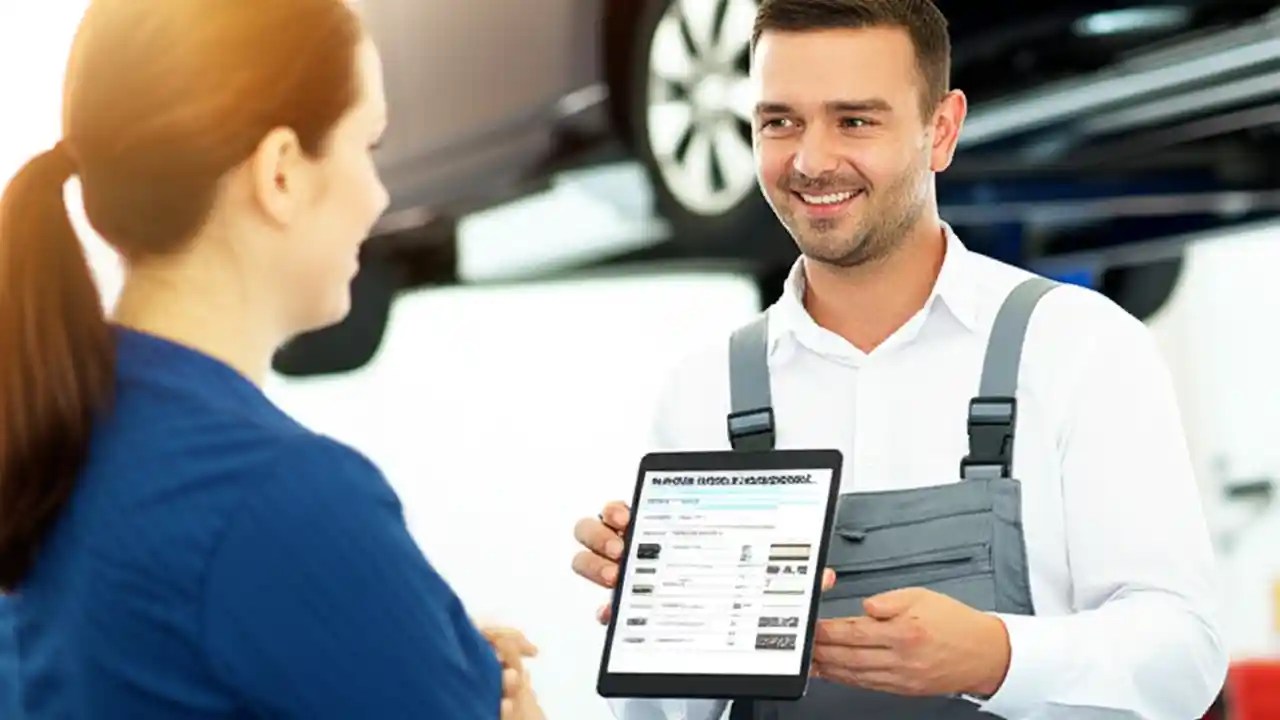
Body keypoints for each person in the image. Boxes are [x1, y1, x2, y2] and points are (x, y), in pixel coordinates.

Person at [571, 1, 1227, 718]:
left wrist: (995, 655)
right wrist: (657, 621)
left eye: (855, 120)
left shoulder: (1078, 348)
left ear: (940, 129)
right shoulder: (706, 392)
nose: (812, 159)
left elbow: (1184, 656)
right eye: (779, 121)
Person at [0, 1, 543, 717]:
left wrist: (392, 641)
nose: (380, 196)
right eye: (369, 145)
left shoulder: (52, 438)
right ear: (282, 172)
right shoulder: (281, 496)